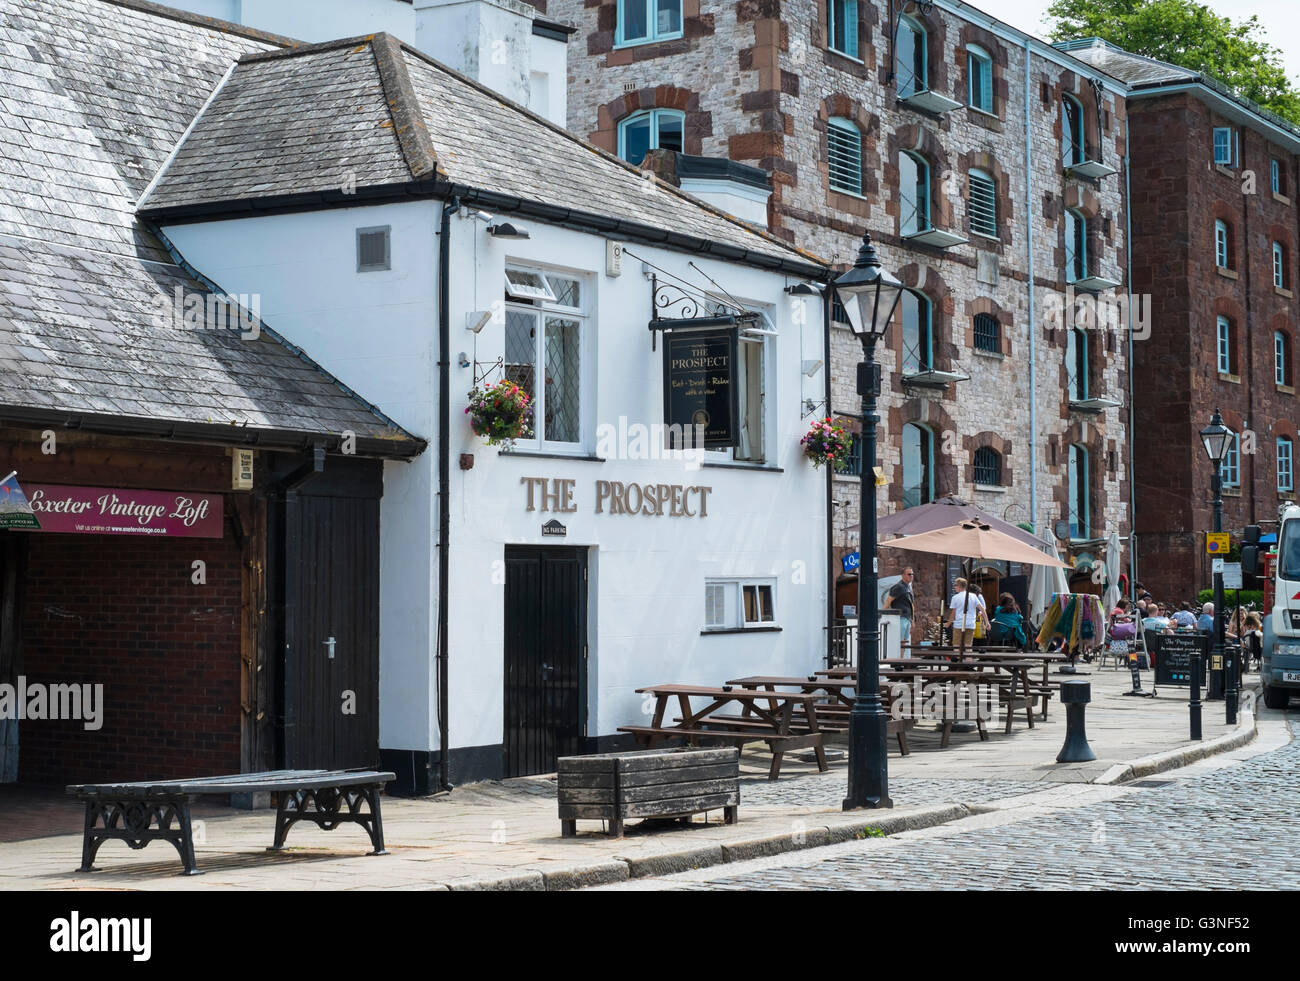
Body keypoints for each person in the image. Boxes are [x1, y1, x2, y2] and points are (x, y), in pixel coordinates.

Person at [945, 577, 989, 649]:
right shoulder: (973, 596)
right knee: (968, 647)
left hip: (959, 624)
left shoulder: (955, 597)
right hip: (970, 624)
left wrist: (948, 623)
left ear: (959, 586)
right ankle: (969, 660)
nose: (954, 587)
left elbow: (953, 613)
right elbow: (982, 609)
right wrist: (987, 622)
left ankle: (959, 659)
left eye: (955, 585)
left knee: (956, 647)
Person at [884, 567, 915, 654]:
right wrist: (881, 615)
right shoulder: (898, 587)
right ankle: (897, 661)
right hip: (900, 618)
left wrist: (913, 620)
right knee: (899, 641)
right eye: (909, 574)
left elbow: (911, 605)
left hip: (907, 618)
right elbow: (888, 601)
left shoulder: (908, 587)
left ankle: (901, 660)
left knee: (903, 642)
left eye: (912, 574)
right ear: (903, 575)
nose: (911, 576)